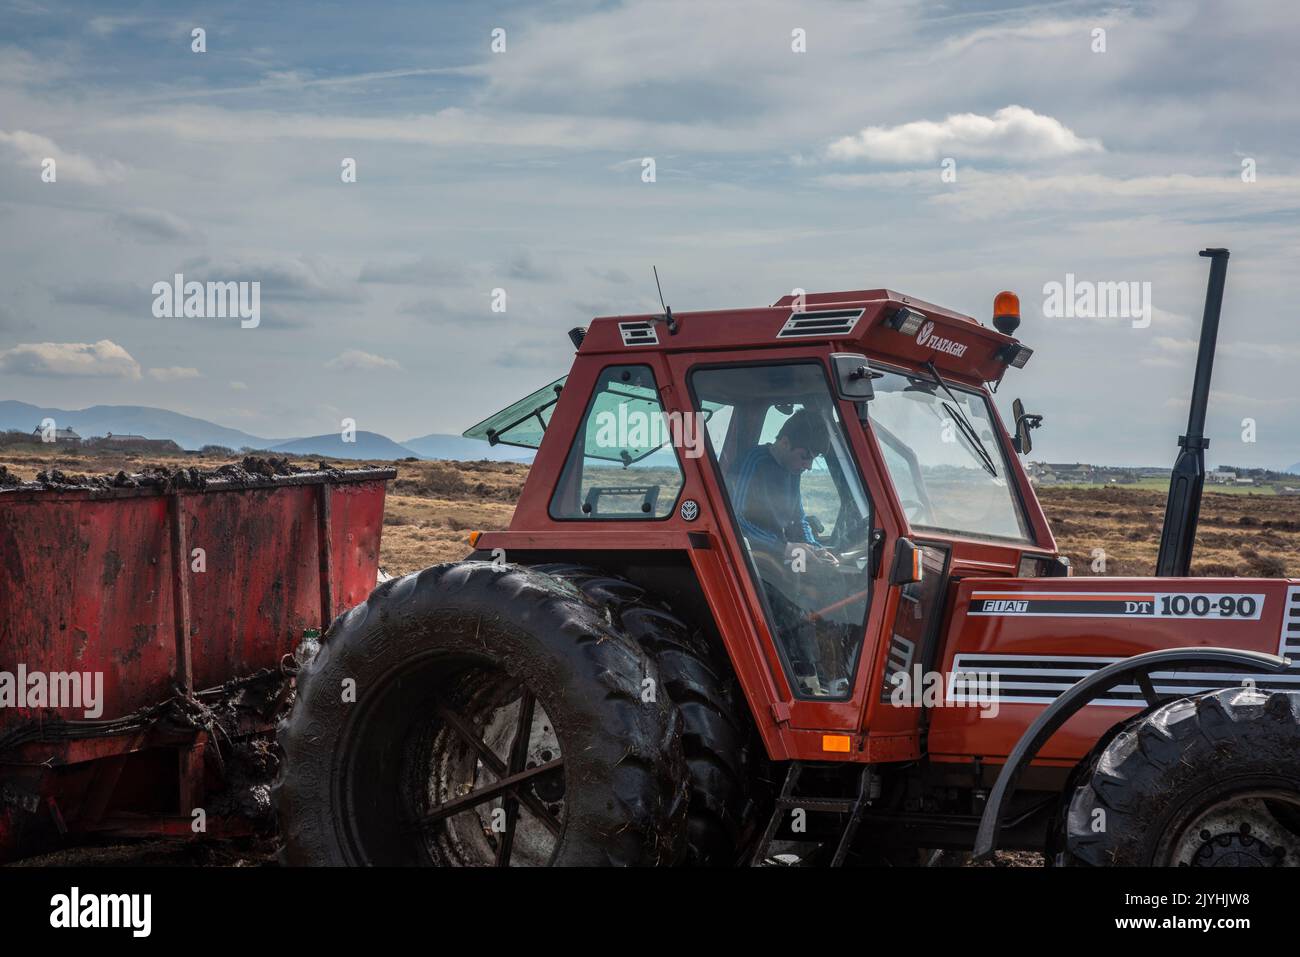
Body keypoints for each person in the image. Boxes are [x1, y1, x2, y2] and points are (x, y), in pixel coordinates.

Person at [731, 409, 838, 566]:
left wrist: (814, 547)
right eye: (804, 457)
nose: (808, 466)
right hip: (751, 558)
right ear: (785, 443)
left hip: (777, 553)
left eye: (812, 460)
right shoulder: (753, 462)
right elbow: (735, 521)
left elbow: (798, 519)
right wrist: (784, 548)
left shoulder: (792, 469)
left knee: (826, 575)